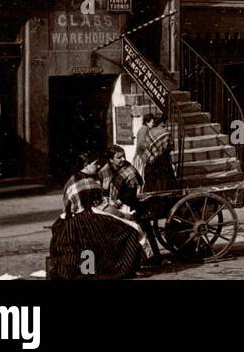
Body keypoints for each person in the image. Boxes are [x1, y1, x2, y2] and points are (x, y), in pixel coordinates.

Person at [47, 151, 147, 280]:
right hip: (89, 219)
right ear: (86, 164)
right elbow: (104, 207)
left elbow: (67, 205)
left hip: (69, 222)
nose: (99, 167)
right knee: (129, 231)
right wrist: (125, 216)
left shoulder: (71, 180)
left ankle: (88, 269)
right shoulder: (90, 182)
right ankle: (125, 268)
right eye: (96, 164)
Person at [102, 145, 161, 260]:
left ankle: (153, 257)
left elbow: (134, 190)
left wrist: (119, 202)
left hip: (130, 203)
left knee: (142, 224)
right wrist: (109, 203)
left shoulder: (128, 169)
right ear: (110, 159)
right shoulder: (104, 172)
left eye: (123, 156)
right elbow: (103, 191)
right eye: (119, 157)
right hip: (110, 205)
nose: (123, 159)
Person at [133, 113, 177, 192]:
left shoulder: (150, 132)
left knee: (152, 182)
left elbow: (148, 145)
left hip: (151, 160)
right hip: (156, 160)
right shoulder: (146, 130)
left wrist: (151, 154)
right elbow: (141, 145)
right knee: (163, 181)